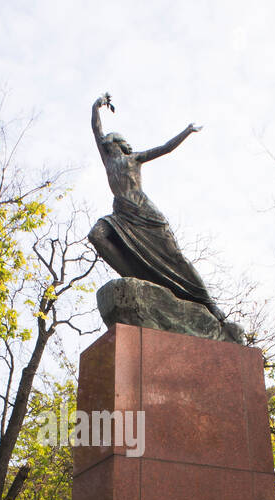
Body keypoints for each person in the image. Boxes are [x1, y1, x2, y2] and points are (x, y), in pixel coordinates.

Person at [88, 92, 238, 341]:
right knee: (97, 235)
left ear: (121, 145)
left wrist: (187, 131)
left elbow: (166, 148)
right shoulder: (107, 160)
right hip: (122, 214)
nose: (106, 145)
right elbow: (96, 130)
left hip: (145, 214)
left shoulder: (133, 159)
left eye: (111, 143)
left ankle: (208, 302)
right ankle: (135, 275)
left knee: (175, 258)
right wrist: (96, 106)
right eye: (105, 144)